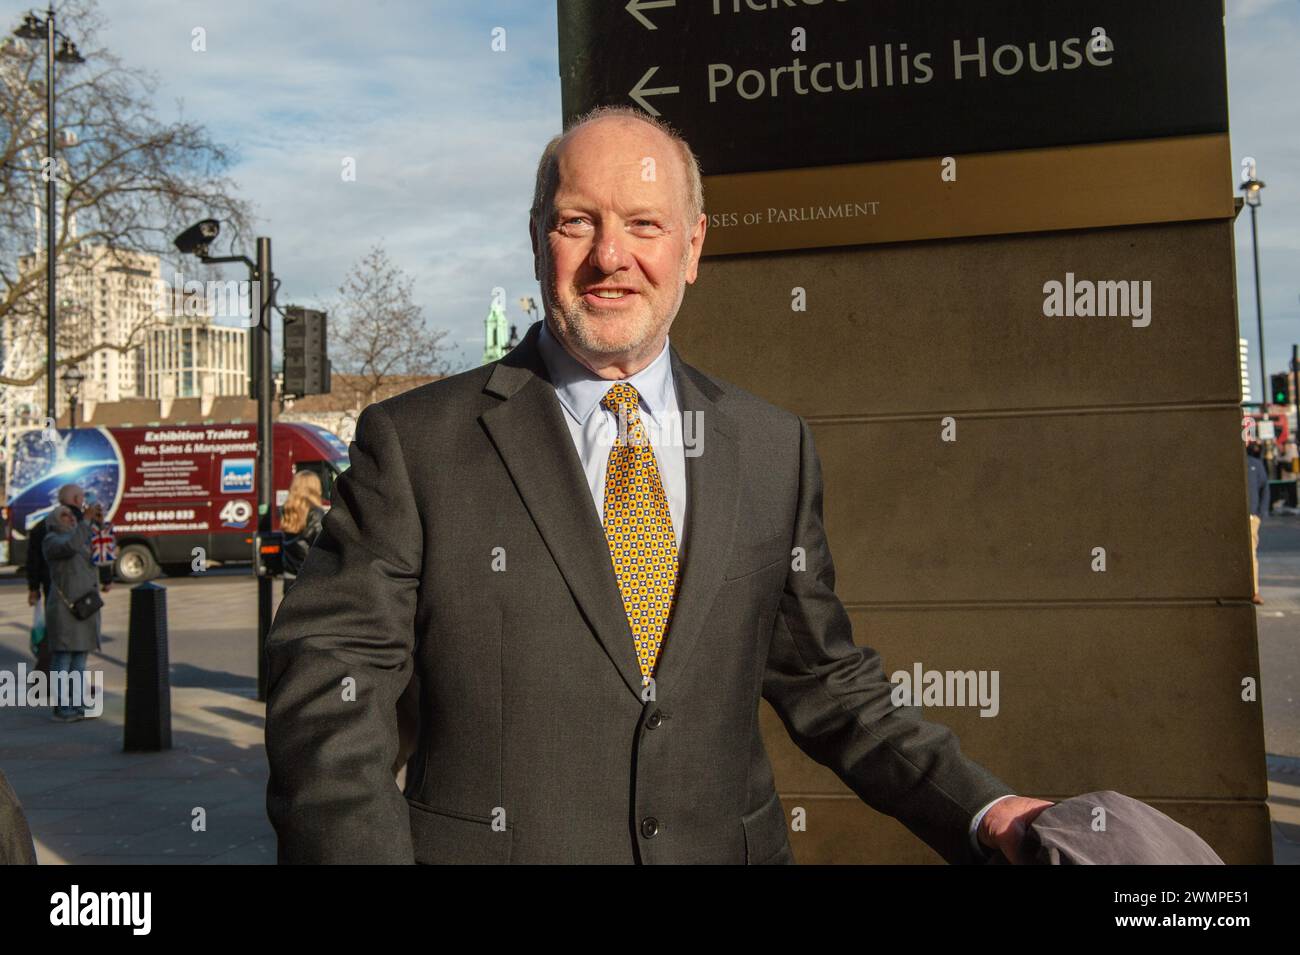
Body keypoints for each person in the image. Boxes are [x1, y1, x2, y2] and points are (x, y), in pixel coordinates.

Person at [265, 106, 1052, 865]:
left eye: (645, 224)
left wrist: (984, 808)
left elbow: (828, 681)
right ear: (538, 239)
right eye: (579, 221)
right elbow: (329, 692)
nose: (612, 255)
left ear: (693, 246)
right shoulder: (419, 444)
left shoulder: (771, 446)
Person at [42, 503, 104, 722]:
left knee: (79, 659)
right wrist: (85, 521)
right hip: (65, 609)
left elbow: (102, 555)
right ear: (54, 521)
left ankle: (77, 704)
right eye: (64, 515)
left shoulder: (81, 536)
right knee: (63, 657)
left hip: (84, 607)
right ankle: (62, 707)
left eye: (71, 515)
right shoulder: (52, 540)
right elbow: (70, 546)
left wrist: (98, 523)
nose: (70, 518)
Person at [26, 484, 88, 679]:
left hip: (53, 587)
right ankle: (53, 681)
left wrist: (34, 587)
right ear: (77, 499)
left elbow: (32, 559)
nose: (70, 519)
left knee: (60, 635)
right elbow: (83, 552)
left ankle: (53, 680)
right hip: (73, 588)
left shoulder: (43, 524)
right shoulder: (77, 523)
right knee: (70, 638)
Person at [280, 470, 327, 591]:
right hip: (310, 578)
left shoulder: (287, 511)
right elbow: (321, 547)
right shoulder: (316, 513)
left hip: (290, 576)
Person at [1246, 441, 1270, 605]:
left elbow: (1264, 488)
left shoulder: (1254, 464)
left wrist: (1260, 513)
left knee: (1251, 554)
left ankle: (1254, 591)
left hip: (1251, 516)